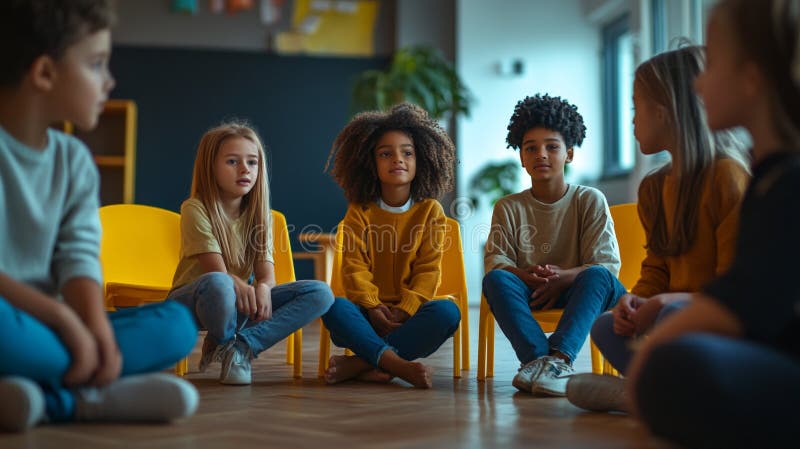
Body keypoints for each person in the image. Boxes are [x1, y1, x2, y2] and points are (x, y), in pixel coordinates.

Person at [0, 0, 199, 433]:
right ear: (44, 74)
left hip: (49, 330)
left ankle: (40, 393)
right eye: (96, 64)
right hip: (19, 321)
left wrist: (97, 333)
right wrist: (65, 322)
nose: (109, 81)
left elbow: (79, 258)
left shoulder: (73, 160)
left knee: (177, 326)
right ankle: (80, 399)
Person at [626, 1, 800, 447]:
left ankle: (639, 386)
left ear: (751, 76)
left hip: (765, 346)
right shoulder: (770, 175)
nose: (699, 84)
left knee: (675, 363)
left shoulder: (771, 180)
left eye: (713, 64)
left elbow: (744, 297)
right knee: (647, 343)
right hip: (755, 341)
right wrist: (640, 303)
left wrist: (657, 349)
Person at [566, 46, 750, 412]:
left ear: (665, 113)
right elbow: (657, 265)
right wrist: (634, 301)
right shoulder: (654, 188)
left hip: (715, 320)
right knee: (605, 326)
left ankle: (649, 396)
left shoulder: (727, 177)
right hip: (671, 316)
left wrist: (668, 301)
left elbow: (736, 287)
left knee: (670, 315)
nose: (632, 121)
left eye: (636, 108)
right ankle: (662, 395)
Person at [166, 121, 333, 385]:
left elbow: (266, 275)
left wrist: (265, 288)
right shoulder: (194, 208)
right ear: (211, 168)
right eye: (232, 161)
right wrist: (247, 287)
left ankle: (240, 347)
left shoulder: (260, 216)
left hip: (238, 299)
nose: (245, 169)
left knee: (320, 293)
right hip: (195, 301)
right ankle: (225, 339)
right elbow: (216, 273)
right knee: (221, 283)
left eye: (252, 162)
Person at [482, 94, 625, 396]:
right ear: (521, 157)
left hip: (582, 293)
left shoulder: (589, 199)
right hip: (533, 292)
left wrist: (564, 277)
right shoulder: (508, 206)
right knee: (496, 279)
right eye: (530, 148)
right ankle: (538, 360)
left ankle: (558, 360)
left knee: (598, 276)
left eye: (552, 146)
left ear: (569, 154)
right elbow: (496, 260)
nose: (541, 154)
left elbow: (606, 264)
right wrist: (526, 276)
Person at [320, 103, 461, 389]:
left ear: (421, 159)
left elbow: (428, 272)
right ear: (370, 163)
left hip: (410, 318)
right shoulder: (359, 211)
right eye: (386, 153)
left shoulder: (431, 212)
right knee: (333, 306)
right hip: (366, 316)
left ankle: (361, 364)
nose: (397, 159)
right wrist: (372, 307)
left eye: (407, 152)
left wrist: (406, 309)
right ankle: (399, 366)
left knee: (447, 313)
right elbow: (353, 268)